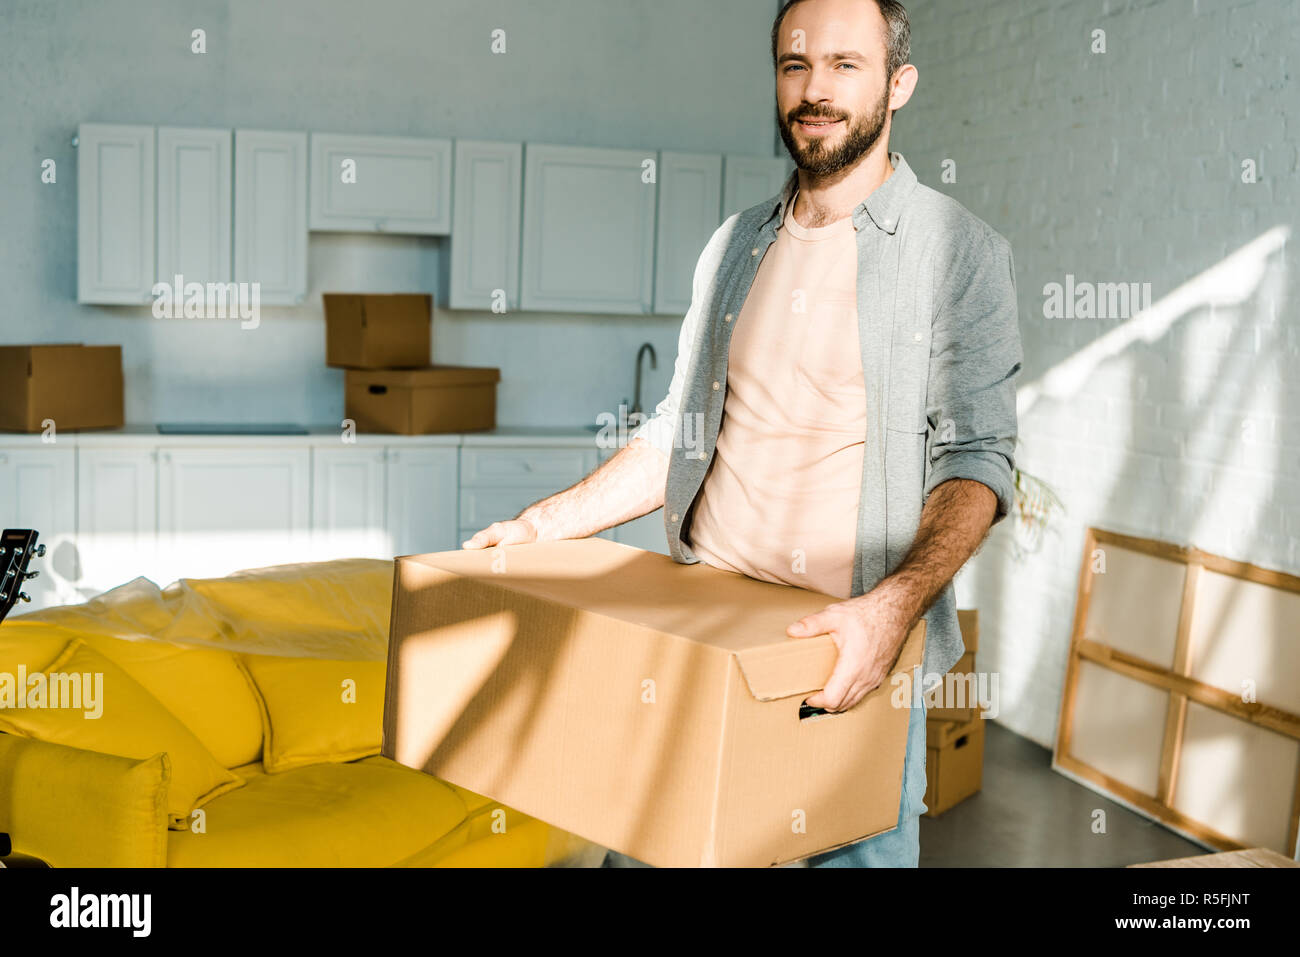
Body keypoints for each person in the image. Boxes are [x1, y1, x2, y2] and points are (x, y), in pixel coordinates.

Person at [463, 0, 1021, 868]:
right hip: (708, 632)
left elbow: (976, 463)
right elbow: (677, 433)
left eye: (846, 64)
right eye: (795, 64)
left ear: (898, 82)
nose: (815, 89)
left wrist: (891, 609)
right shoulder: (735, 246)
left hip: (850, 651)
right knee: (647, 853)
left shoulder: (957, 252)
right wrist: (543, 525)